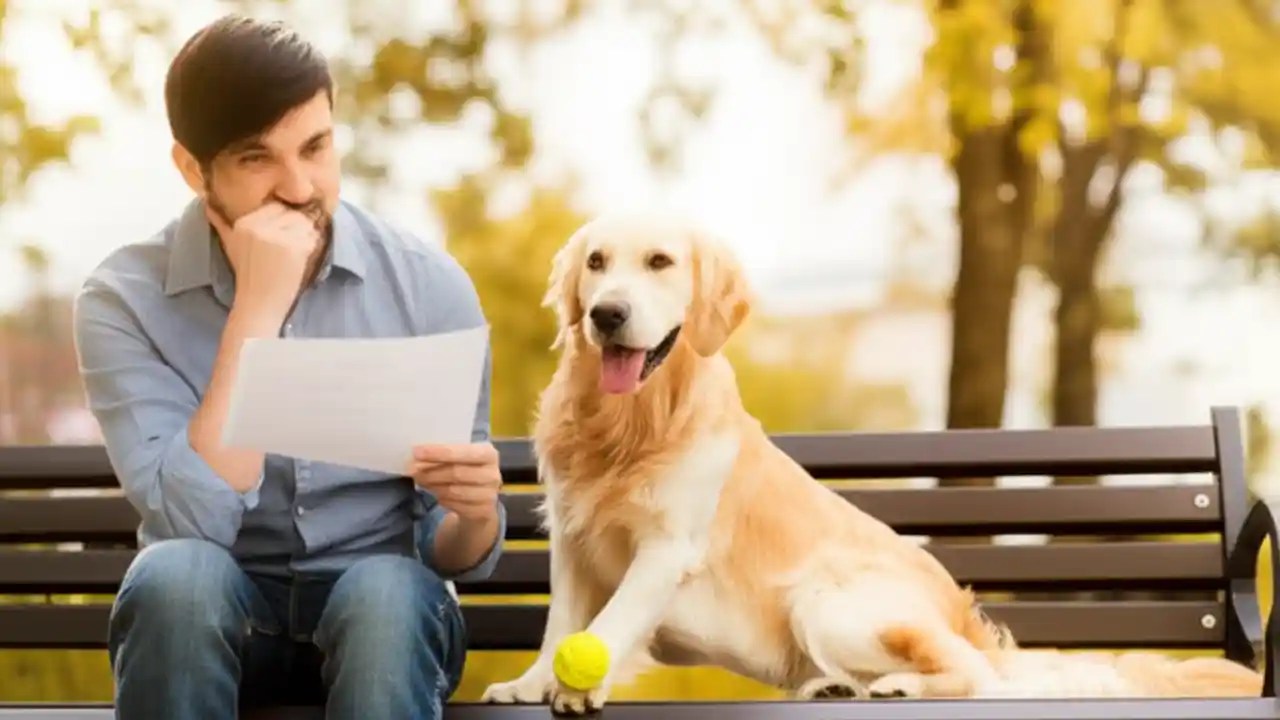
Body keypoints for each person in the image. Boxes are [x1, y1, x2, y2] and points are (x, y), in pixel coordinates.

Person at [71, 14, 505, 719]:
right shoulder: (123, 300)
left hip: (382, 630)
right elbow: (193, 526)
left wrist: (475, 512)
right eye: (257, 159)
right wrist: (257, 311)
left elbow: (451, 551)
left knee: (388, 594)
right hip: (216, 622)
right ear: (193, 170)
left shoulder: (428, 284)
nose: (300, 187)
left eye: (316, 146)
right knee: (177, 578)